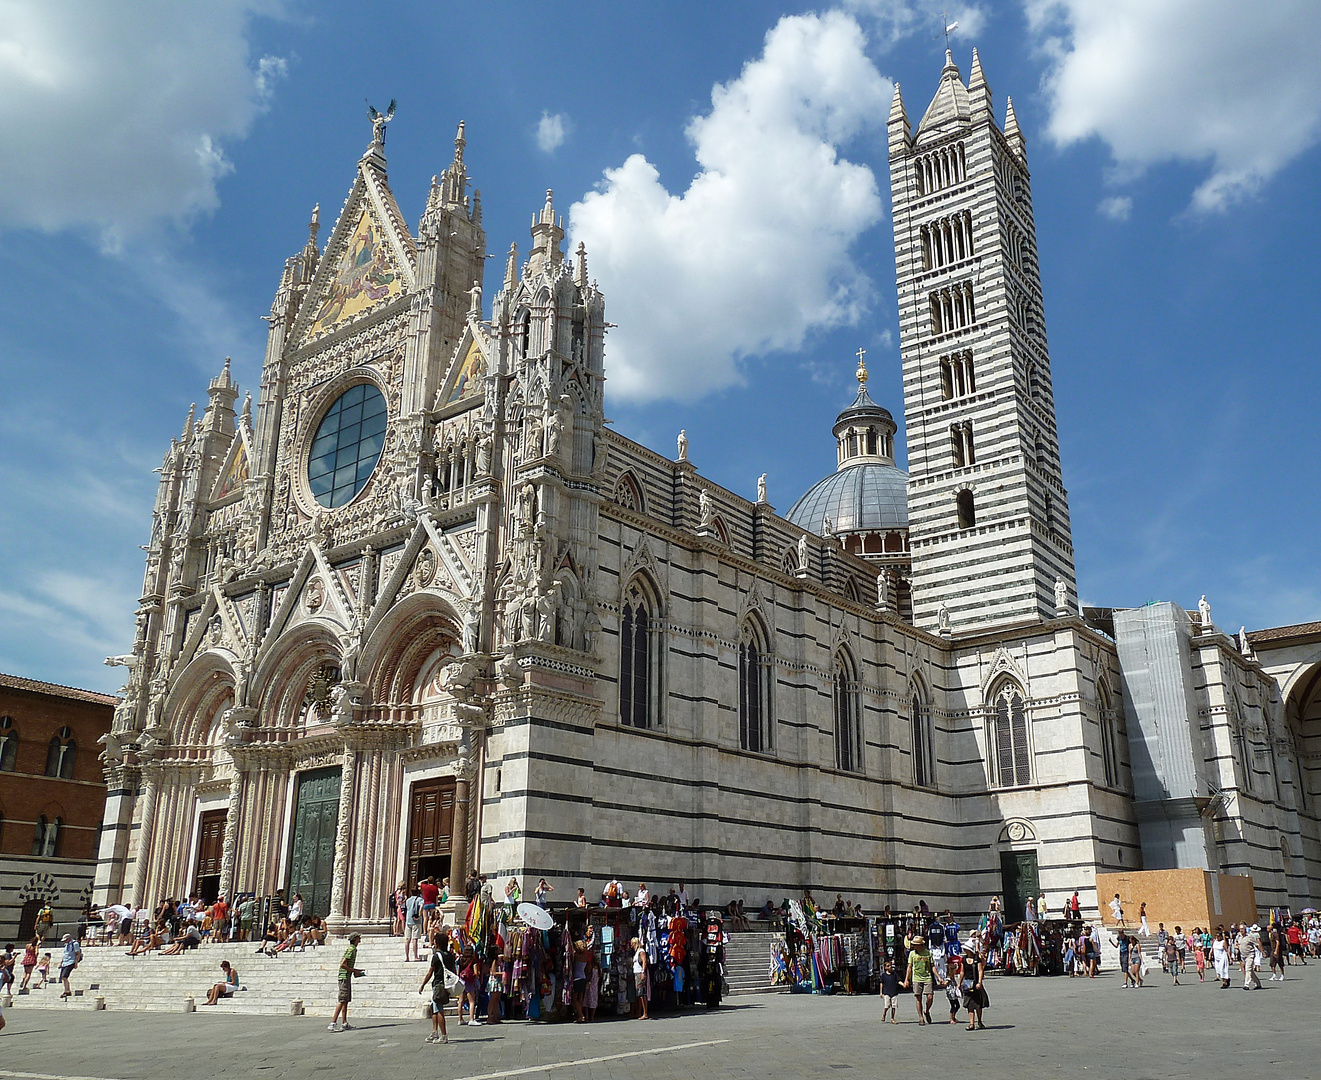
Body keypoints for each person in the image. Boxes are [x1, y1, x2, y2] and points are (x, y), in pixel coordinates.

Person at [417, 931, 450, 1043]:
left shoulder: (437, 956)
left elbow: (430, 972)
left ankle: (444, 1035)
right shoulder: (450, 955)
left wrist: (422, 985)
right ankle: (434, 1032)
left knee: (439, 1010)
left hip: (438, 984)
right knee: (434, 1008)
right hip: (446, 985)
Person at [329, 933, 364, 1032]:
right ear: (355, 939)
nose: (360, 940)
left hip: (346, 976)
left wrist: (356, 971)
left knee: (346, 1000)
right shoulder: (351, 949)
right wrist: (354, 971)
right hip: (344, 977)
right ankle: (333, 1023)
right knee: (342, 1000)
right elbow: (343, 964)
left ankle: (344, 1022)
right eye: (359, 938)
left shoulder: (352, 949)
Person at [901, 933, 936, 1024]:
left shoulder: (928, 953)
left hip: (927, 977)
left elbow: (932, 966)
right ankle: (921, 1017)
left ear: (920, 945)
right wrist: (906, 979)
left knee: (930, 996)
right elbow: (909, 967)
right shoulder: (912, 954)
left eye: (915, 945)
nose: (913, 946)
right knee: (918, 998)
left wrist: (938, 976)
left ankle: (927, 1010)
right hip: (916, 978)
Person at [960, 943, 989, 1030]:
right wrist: (959, 982)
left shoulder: (977, 959)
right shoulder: (964, 959)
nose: (965, 950)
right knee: (969, 1004)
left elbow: (980, 971)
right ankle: (972, 1023)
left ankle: (979, 1021)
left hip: (976, 983)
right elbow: (962, 971)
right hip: (967, 983)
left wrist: (979, 982)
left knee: (978, 1004)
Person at [58, 933, 81, 1000]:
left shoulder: (75, 944)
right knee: (62, 977)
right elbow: (65, 954)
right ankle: (66, 989)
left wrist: (76, 963)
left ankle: (67, 991)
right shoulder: (66, 945)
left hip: (71, 962)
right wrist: (61, 962)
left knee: (64, 976)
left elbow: (77, 953)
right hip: (65, 962)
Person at [631, 936, 650, 1019]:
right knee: (639, 993)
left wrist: (643, 972)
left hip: (640, 973)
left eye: (632, 944)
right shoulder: (636, 952)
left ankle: (645, 1013)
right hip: (636, 973)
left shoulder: (641, 951)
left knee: (641, 993)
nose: (631, 945)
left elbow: (644, 961)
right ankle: (639, 1012)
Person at [404, 887, 424, 962]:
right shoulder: (420, 899)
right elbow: (421, 906)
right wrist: (419, 915)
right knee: (414, 939)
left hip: (408, 920)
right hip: (416, 921)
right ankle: (415, 956)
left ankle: (407, 957)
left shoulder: (408, 900)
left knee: (407, 939)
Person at [878, 958, 900, 1024]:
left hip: (894, 992)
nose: (890, 967)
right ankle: (884, 1014)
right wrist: (881, 992)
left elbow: (898, 981)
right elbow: (881, 984)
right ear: (885, 967)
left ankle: (892, 1018)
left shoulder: (894, 974)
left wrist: (903, 984)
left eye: (890, 965)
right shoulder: (884, 975)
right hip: (886, 992)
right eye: (888, 966)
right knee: (887, 1005)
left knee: (894, 1006)